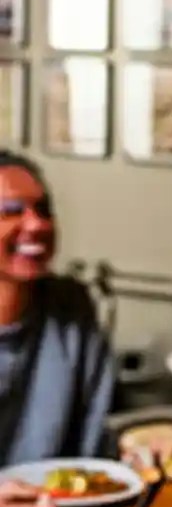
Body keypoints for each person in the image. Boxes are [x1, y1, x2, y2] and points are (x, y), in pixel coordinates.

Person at [0, 151, 114, 467]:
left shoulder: (71, 307)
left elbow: (99, 440)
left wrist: (144, 439)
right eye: (10, 211)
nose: (36, 225)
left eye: (44, 210)